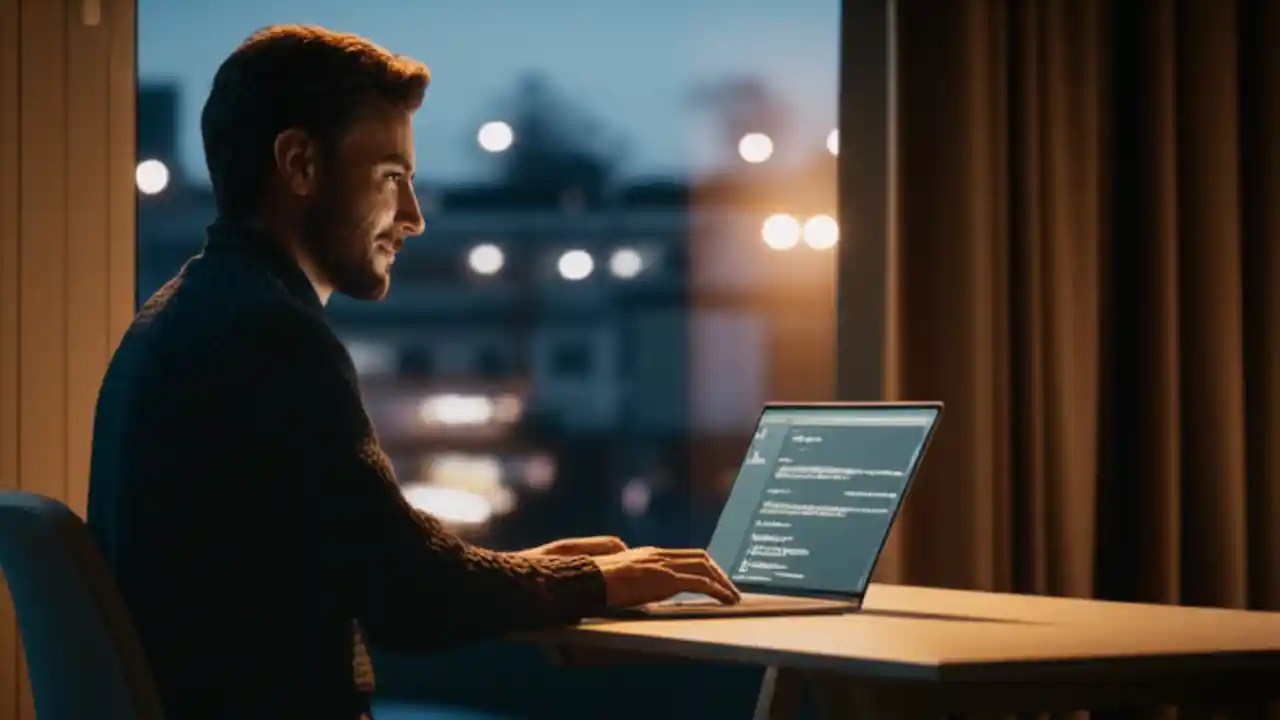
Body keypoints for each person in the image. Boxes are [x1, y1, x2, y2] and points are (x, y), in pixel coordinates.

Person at [86, 24, 739, 720]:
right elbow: (410, 597)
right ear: (300, 164)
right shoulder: (266, 334)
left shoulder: (185, 314)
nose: (416, 218)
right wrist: (591, 583)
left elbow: (380, 557)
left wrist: (544, 571)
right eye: (392, 177)